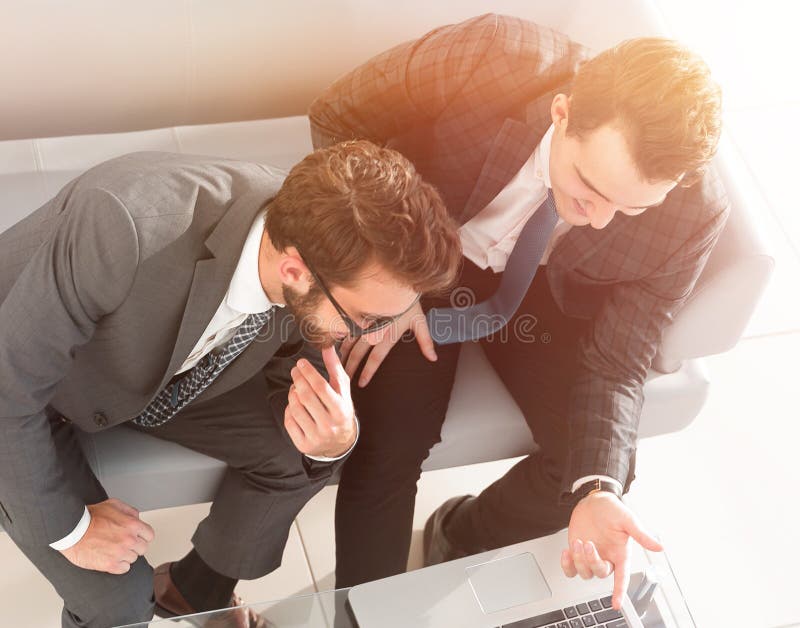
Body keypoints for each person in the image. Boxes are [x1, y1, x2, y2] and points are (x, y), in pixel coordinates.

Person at [309, 13, 728, 609]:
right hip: (421, 248)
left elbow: (620, 358)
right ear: (562, 112)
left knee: (595, 470)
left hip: (543, 301)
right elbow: (338, 117)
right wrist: (388, 271)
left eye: (629, 208)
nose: (598, 219)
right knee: (392, 440)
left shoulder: (695, 211)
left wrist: (600, 488)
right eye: (588, 186)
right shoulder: (491, 57)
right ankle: (363, 614)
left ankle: (459, 537)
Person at [0, 142, 461, 628]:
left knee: (299, 451)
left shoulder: (315, 243)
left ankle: (192, 590)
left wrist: (331, 442)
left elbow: (293, 360)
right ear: (294, 271)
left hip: (168, 372)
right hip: (31, 390)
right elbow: (6, 395)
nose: (362, 335)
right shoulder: (121, 225)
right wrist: (72, 531)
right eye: (365, 319)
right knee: (117, 604)